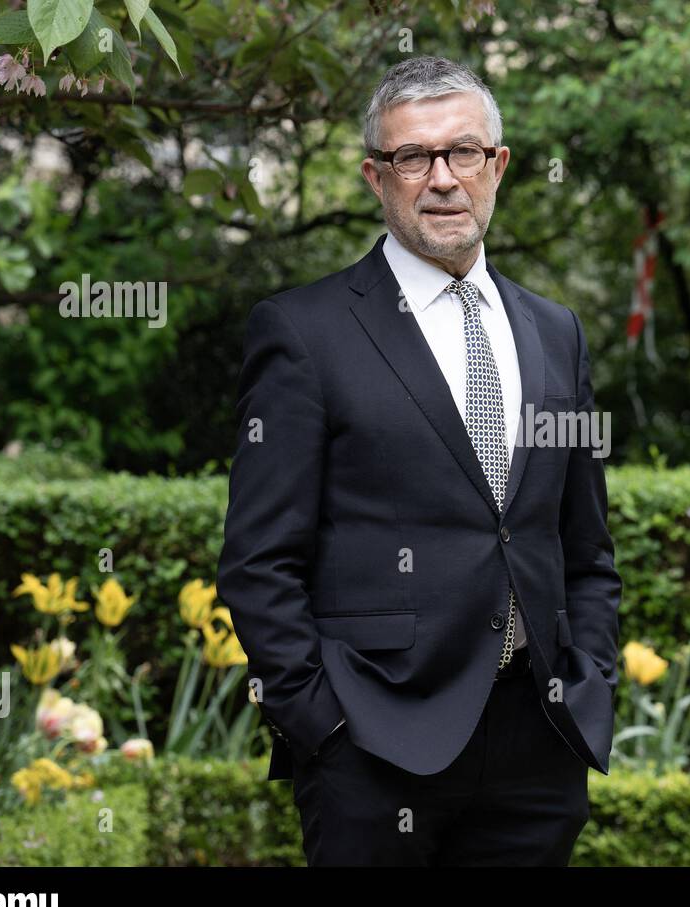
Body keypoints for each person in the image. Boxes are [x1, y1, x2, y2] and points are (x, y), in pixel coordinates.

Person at [216, 55, 621, 866]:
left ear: (497, 165)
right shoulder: (304, 332)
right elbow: (259, 563)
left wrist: (591, 681)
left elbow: (584, 544)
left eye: (463, 152)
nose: (442, 179)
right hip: (372, 748)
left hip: (536, 745)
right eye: (413, 158)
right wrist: (323, 726)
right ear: (376, 176)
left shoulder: (556, 332)